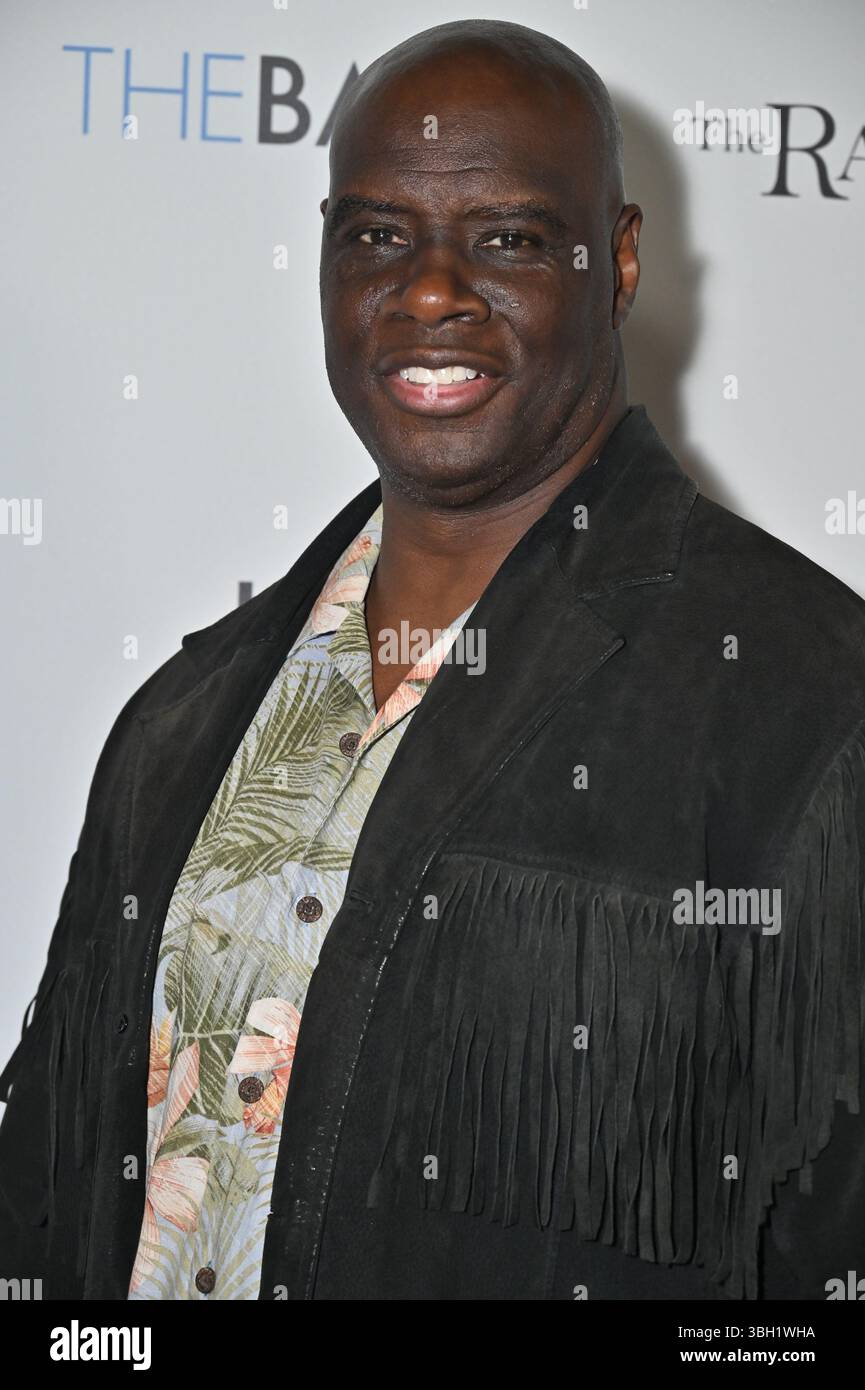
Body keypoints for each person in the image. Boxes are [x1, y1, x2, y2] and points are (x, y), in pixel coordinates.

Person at [1, 19, 863, 1302]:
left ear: (618, 262)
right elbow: (50, 1196)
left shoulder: (808, 701)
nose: (429, 292)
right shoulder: (183, 716)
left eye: (507, 239)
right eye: (377, 236)